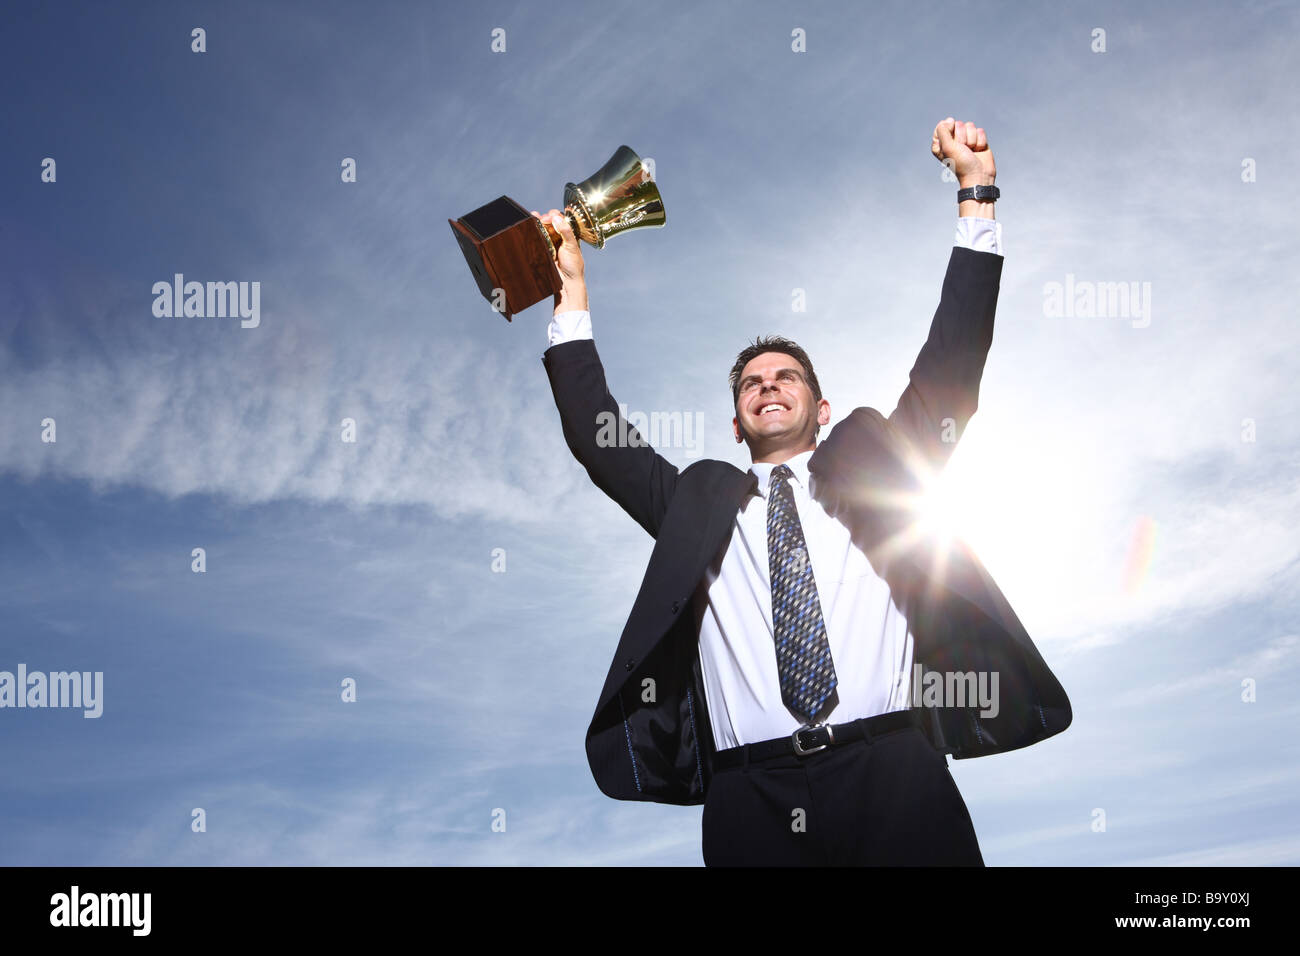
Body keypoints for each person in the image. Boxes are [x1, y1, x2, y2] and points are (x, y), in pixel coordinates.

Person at [536, 119, 1071, 865]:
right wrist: (570, 290)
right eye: (753, 384)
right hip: (750, 799)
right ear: (735, 422)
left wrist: (975, 194)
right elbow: (598, 435)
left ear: (820, 407)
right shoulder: (695, 504)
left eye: (786, 376)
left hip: (895, 775)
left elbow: (953, 361)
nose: (768, 387)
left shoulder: (881, 471)